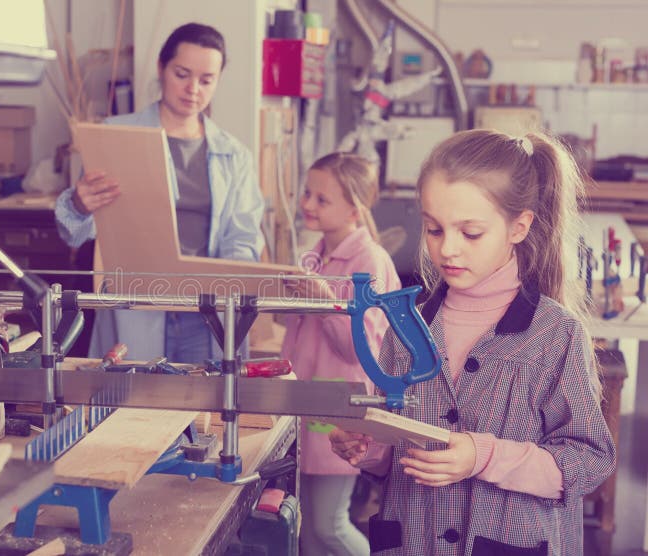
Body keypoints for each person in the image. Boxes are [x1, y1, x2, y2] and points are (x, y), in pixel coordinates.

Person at [328, 129, 616, 555]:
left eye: (471, 233)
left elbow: (589, 462)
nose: (448, 249)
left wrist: (483, 457)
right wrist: (368, 447)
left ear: (519, 227)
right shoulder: (405, 330)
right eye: (434, 229)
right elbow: (394, 454)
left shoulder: (556, 335)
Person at [54, 22, 264, 362]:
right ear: (161, 68)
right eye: (182, 74)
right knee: (132, 393)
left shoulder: (235, 155)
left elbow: (243, 239)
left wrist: (226, 283)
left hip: (206, 314)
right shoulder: (116, 136)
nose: (193, 89)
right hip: (135, 307)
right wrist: (79, 206)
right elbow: (76, 234)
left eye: (206, 80)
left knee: (206, 394)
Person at [281, 152, 401, 556]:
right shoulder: (316, 256)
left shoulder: (370, 261)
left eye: (322, 199)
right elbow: (301, 335)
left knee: (328, 526)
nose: (307, 205)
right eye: (307, 194)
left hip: (338, 410)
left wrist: (324, 300)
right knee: (308, 531)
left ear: (354, 208)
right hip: (308, 404)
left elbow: (361, 349)